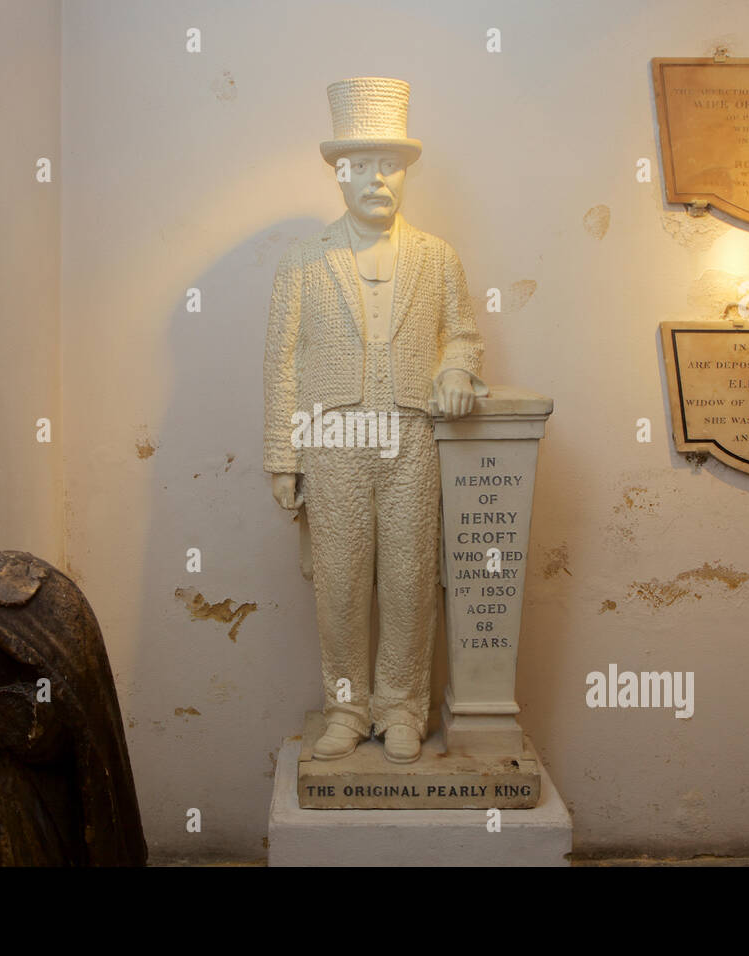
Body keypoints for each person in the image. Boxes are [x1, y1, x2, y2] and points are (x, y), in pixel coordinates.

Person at [263, 77, 485, 763]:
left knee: (412, 578)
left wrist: (454, 371)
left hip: (413, 437)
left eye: (391, 165)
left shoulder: (437, 257)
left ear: (405, 174)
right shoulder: (303, 260)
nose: (378, 179)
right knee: (340, 580)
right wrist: (282, 454)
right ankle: (346, 705)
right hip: (332, 440)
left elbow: (464, 336)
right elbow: (281, 361)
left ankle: (401, 706)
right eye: (363, 165)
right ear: (339, 173)